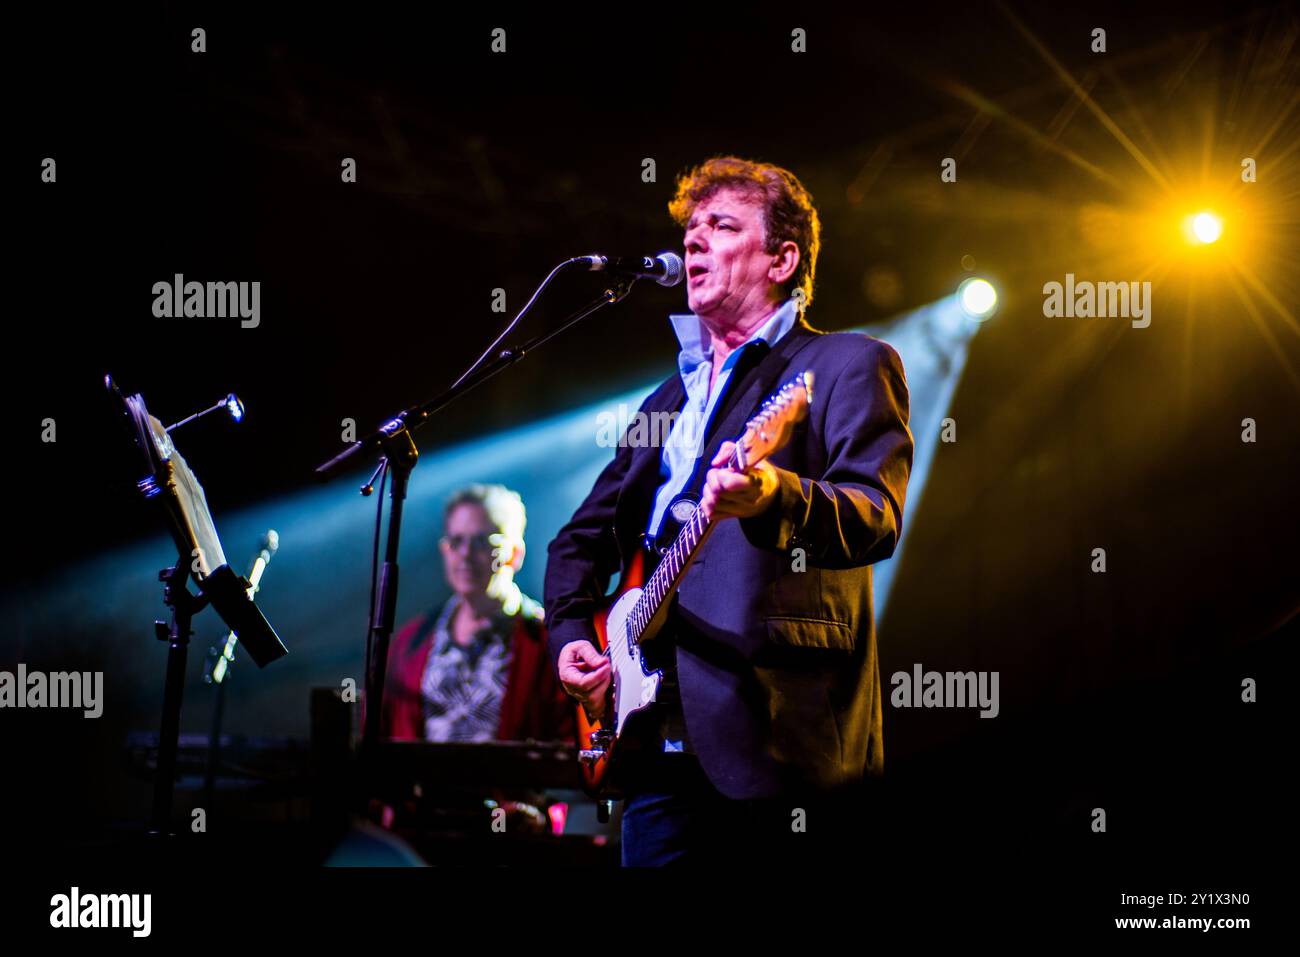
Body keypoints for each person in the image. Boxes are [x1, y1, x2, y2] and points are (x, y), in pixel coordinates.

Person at [544, 156, 914, 865]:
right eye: (690, 228)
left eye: (721, 225)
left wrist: (773, 494)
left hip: (780, 744)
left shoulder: (845, 364)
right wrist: (569, 639)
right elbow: (578, 540)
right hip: (653, 750)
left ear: (783, 258)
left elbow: (875, 515)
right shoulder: (668, 401)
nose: (692, 241)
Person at [381, 483, 573, 744]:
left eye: (482, 541)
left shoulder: (551, 644)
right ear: (444, 549)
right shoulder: (409, 642)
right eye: (456, 541)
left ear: (515, 554)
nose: (466, 555)